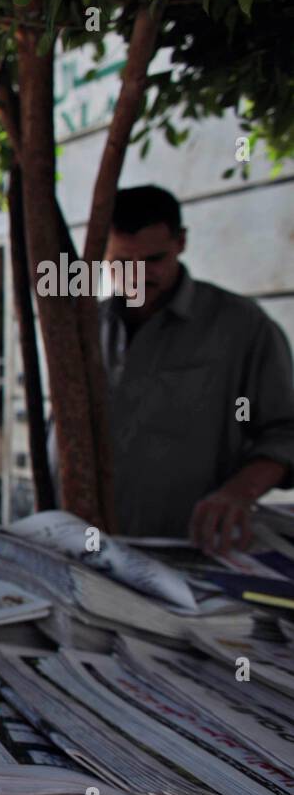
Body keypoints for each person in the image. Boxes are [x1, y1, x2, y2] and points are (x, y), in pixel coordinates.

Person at [100, 185, 294, 550]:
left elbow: (286, 433)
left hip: (190, 549)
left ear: (181, 242)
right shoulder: (85, 326)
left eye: (153, 260)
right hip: (84, 544)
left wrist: (239, 493)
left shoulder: (242, 327)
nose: (138, 278)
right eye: (123, 264)